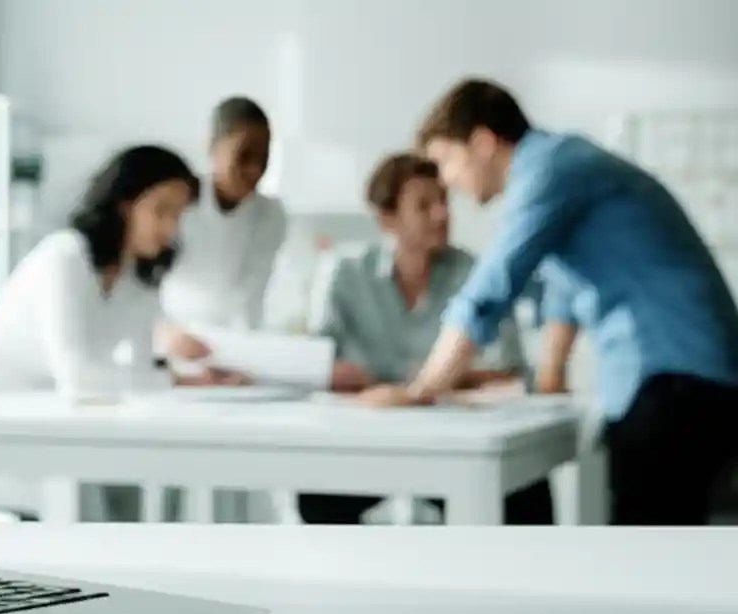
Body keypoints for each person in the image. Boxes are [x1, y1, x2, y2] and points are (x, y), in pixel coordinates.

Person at [359, 77, 738, 526]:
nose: (446, 181)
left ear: (481, 142)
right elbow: (565, 287)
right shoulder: (565, 164)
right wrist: (551, 373)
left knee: (649, 549)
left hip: (675, 378)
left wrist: (421, 388)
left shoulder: (548, 171)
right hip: (683, 375)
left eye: (445, 161)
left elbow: (492, 287)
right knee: (655, 539)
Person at [298, 152, 552, 524]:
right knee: (317, 494)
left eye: (444, 201)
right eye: (423, 205)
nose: (441, 214)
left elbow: (510, 372)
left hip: (454, 444)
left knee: (524, 494)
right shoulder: (344, 273)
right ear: (387, 219)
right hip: (369, 442)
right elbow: (316, 363)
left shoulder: (475, 272)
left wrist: (422, 385)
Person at [0, 144, 238, 399]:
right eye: (160, 211)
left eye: (177, 214)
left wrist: (189, 381)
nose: (170, 228)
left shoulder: (141, 278)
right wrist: (168, 380)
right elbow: (78, 375)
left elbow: (138, 368)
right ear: (124, 205)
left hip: (40, 402)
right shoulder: (65, 256)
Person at [159, 97, 287, 355]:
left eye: (263, 159)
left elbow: (250, 296)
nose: (254, 170)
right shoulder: (180, 202)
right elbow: (145, 285)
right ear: (212, 147)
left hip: (235, 346)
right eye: (244, 155)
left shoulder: (271, 214)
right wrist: (166, 335)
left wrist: (245, 354)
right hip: (171, 339)